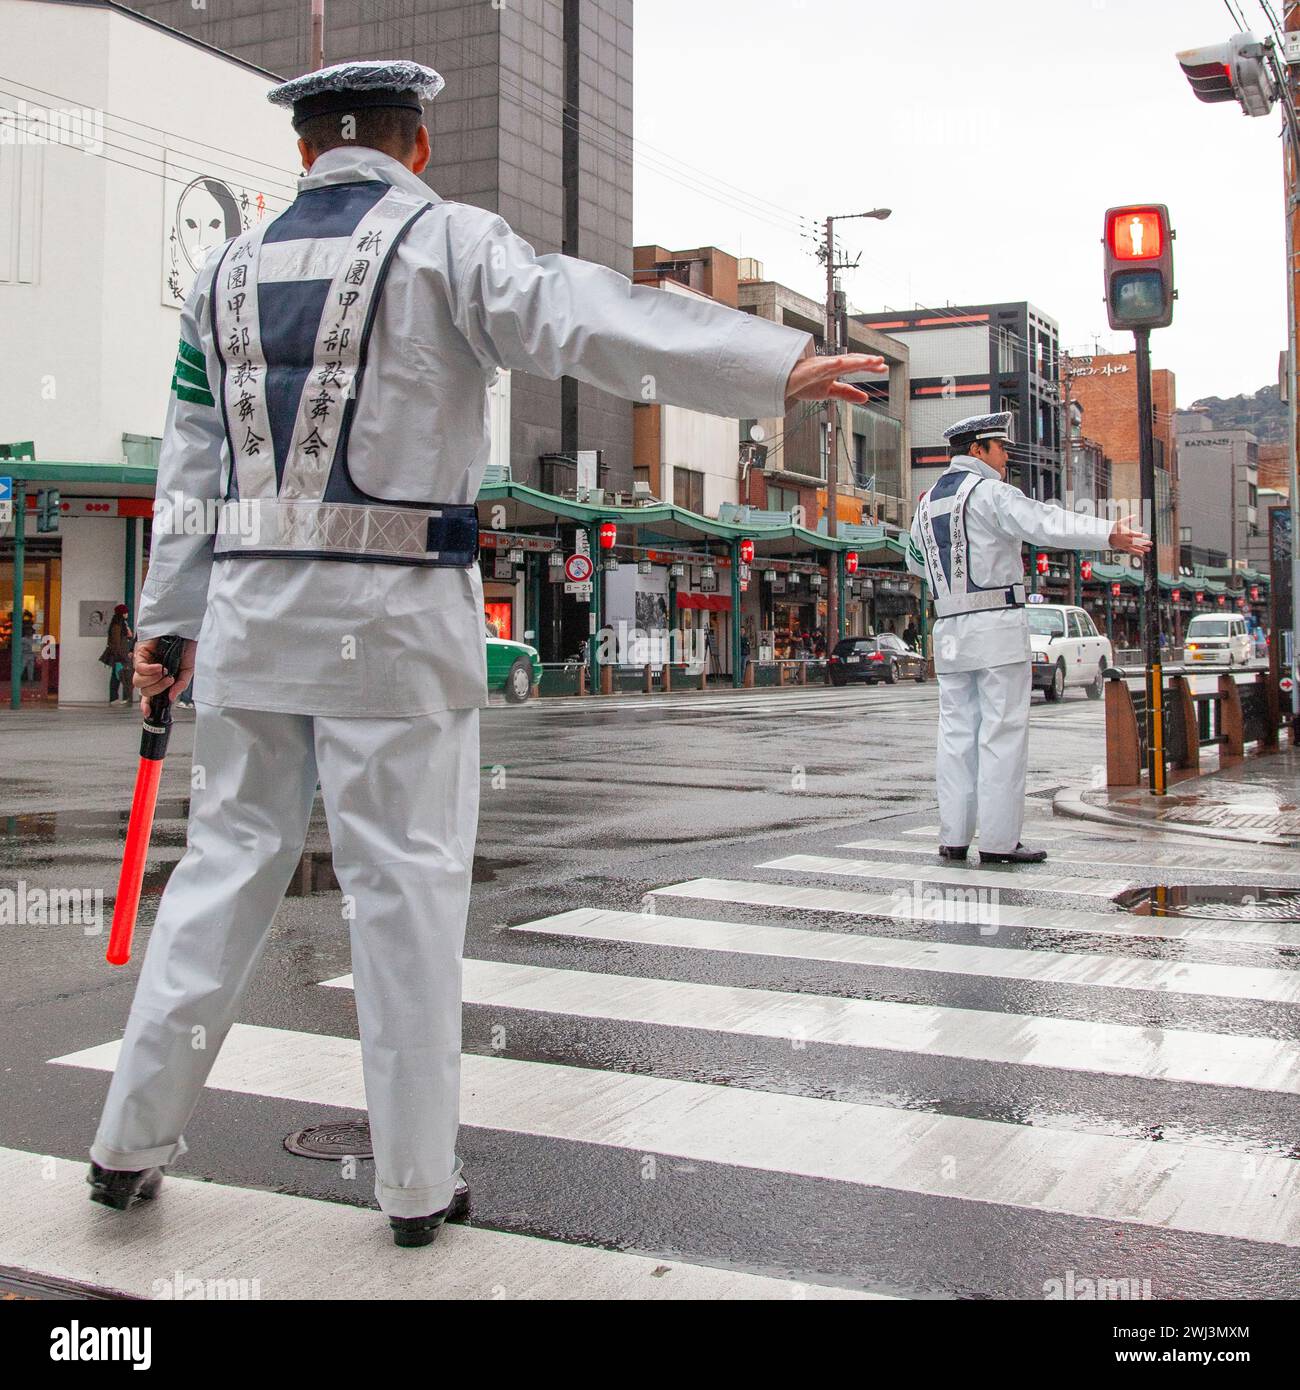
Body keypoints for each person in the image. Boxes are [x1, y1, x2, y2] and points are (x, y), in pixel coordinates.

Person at [87, 58, 886, 1247]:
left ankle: (125, 1147)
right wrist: (762, 362)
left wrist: (167, 622)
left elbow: (189, 467)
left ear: (305, 152)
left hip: (252, 621)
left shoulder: (225, 271)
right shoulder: (448, 242)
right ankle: (411, 1184)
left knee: (220, 873)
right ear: (416, 146)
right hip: (396, 628)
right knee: (402, 895)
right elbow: (584, 315)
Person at [906, 412, 1150, 865]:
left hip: (949, 630)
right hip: (996, 624)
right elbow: (1042, 521)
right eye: (1000, 448)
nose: (1006, 458)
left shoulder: (926, 503)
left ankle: (953, 838)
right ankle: (999, 842)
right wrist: (1107, 534)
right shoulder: (989, 492)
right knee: (1002, 733)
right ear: (977, 450)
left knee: (956, 735)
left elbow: (916, 561)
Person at [105, 605, 133, 705]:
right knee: (119, 675)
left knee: (118, 675)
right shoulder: (117, 625)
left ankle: (116, 697)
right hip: (119, 656)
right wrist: (120, 655)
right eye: (125, 612)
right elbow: (116, 642)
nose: (127, 614)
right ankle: (116, 697)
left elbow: (129, 635)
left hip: (121, 655)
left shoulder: (122, 623)